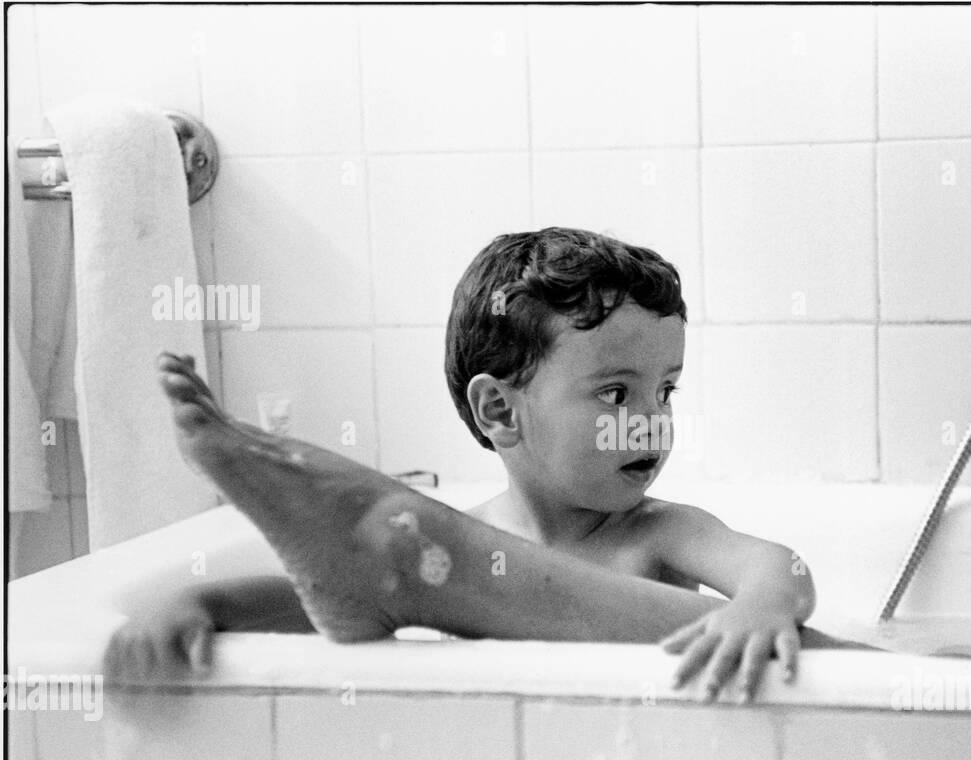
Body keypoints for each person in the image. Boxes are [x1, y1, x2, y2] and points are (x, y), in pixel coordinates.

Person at [108, 228, 850, 703]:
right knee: (408, 566)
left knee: (416, 563)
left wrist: (760, 606)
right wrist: (202, 606)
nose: (650, 417)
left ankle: (372, 542)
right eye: (616, 392)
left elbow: (776, 566)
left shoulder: (657, 533)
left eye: (666, 390)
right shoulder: (463, 536)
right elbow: (313, 592)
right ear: (499, 411)